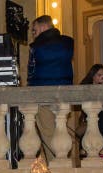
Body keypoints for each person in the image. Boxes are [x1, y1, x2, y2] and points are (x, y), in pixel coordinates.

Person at [27, 15, 75, 162]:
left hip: (42, 94)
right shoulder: (68, 43)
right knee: (63, 130)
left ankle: (56, 168)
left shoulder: (36, 47)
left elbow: (31, 72)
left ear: (42, 27)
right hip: (65, 94)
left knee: (48, 133)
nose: (33, 35)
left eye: (34, 31)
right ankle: (71, 165)